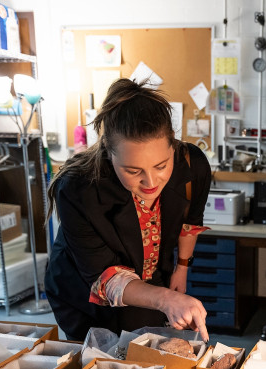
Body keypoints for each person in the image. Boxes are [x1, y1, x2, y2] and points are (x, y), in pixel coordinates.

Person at [45, 79, 212, 342]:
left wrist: (181, 268)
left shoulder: (193, 165)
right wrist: (167, 299)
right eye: (133, 171)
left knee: (150, 352)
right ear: (110, 155)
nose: (151, 182)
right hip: (87, 291)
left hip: (151, 279)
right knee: (100, 362)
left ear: (173, 146)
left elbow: (190, 221)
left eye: (161, 165)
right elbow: (105, 279)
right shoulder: (79, 188)